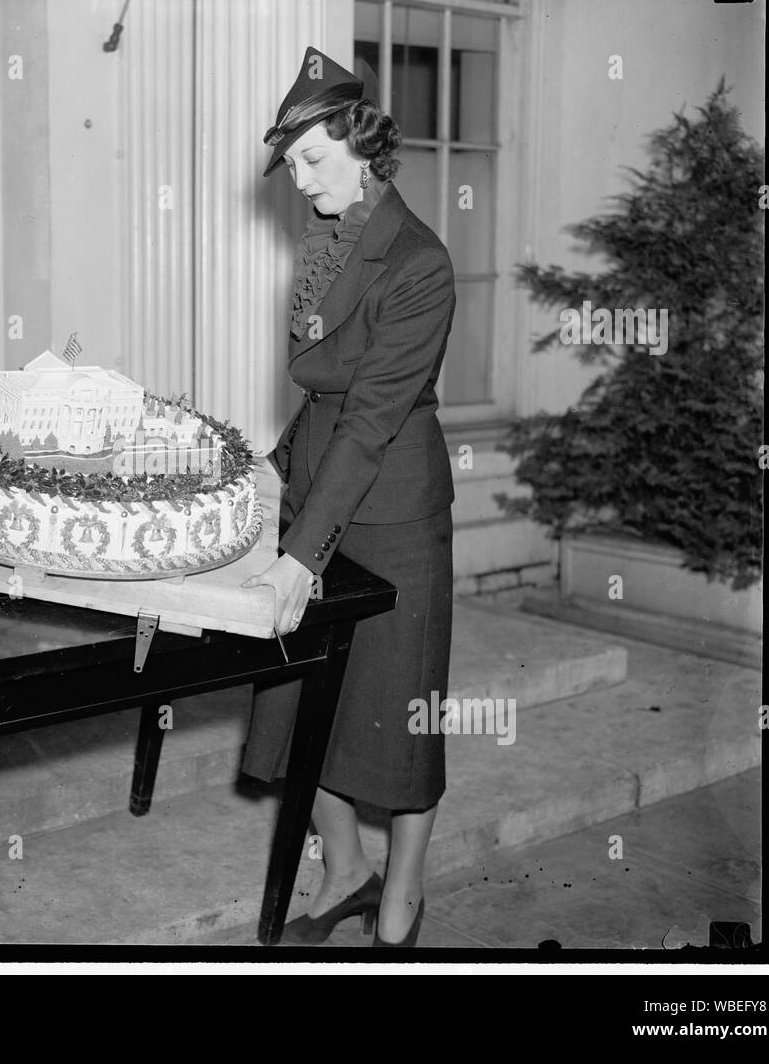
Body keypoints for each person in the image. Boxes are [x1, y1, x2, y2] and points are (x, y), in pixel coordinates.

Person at [240, 47, 456, 947]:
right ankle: (346, 866)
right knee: (299, 707)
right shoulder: (330, 239)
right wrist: (268, 469)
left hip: (395, 509)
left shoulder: (419, 262)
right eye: (290, 167)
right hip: (321, 489)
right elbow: (324, 395)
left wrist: (300, 554)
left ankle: (402, 889)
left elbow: (372, 418)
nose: (299, 182)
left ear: (362, 145)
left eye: (312, 161)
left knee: (399, 718)